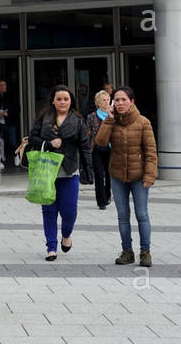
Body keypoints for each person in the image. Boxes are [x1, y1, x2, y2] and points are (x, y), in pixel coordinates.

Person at [93, 86, 157, 267]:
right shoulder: (112, 122)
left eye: (124, 100)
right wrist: (109, 121)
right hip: (117, 175)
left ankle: (145, 252)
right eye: (117, 100)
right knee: (123, 215)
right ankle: (127, 251)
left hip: (139, 176)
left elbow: (151, 152)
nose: (120, 103)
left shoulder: (143, 122)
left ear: (132, 102)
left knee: (142, 214)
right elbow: (100, 143)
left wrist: (149, 176)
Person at [27, 85, 93, 261]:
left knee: (69, 212)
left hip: (69, 171)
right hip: (46, 173)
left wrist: (89, 170)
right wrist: (48, 144)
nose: (62, 102)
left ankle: (66, 235)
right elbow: (32, 138)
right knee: (49, 211)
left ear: (71, 101)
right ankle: (51, 247)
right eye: (59, 99)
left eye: (66, 99)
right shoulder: (44, 118)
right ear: (53, 101)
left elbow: (85, 147)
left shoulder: (78, 121)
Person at [85, 90, 113, 210]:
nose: (106, 102)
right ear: (98, 103)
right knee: (98, 174)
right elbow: (88, 133)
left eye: (107, 100)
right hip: (96, 148)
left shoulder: (113, 115)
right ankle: (101, 201)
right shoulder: (91, 117)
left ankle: (107, 194)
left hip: (111, 148)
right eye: (103, 100)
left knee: (109, 173)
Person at [0, 80, 18, 167]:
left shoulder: (11, 96)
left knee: (12, 142)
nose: (3, 87)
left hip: (10, 123)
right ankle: (1, 160)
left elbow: (16, 109)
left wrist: (7, 113)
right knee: (0, 142)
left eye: (4, 85)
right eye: (1, 85)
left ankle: (16, 155)